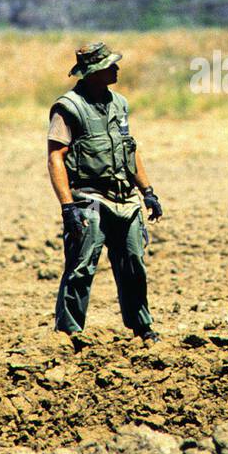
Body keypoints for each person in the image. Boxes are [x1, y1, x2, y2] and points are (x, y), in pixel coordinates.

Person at [47, 42, 163, 341]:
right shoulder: (68, 107)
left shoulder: (119, 104)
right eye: (110, 65)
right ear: (94, 72)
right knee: (81, 268)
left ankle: (142, 327)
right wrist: (68, 206)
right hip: (89, 200)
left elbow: (130, 149)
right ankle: (68, 333)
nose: (117, 69)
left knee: (133, 265)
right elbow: (56, 156)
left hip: (125, 200)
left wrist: (148, 191)